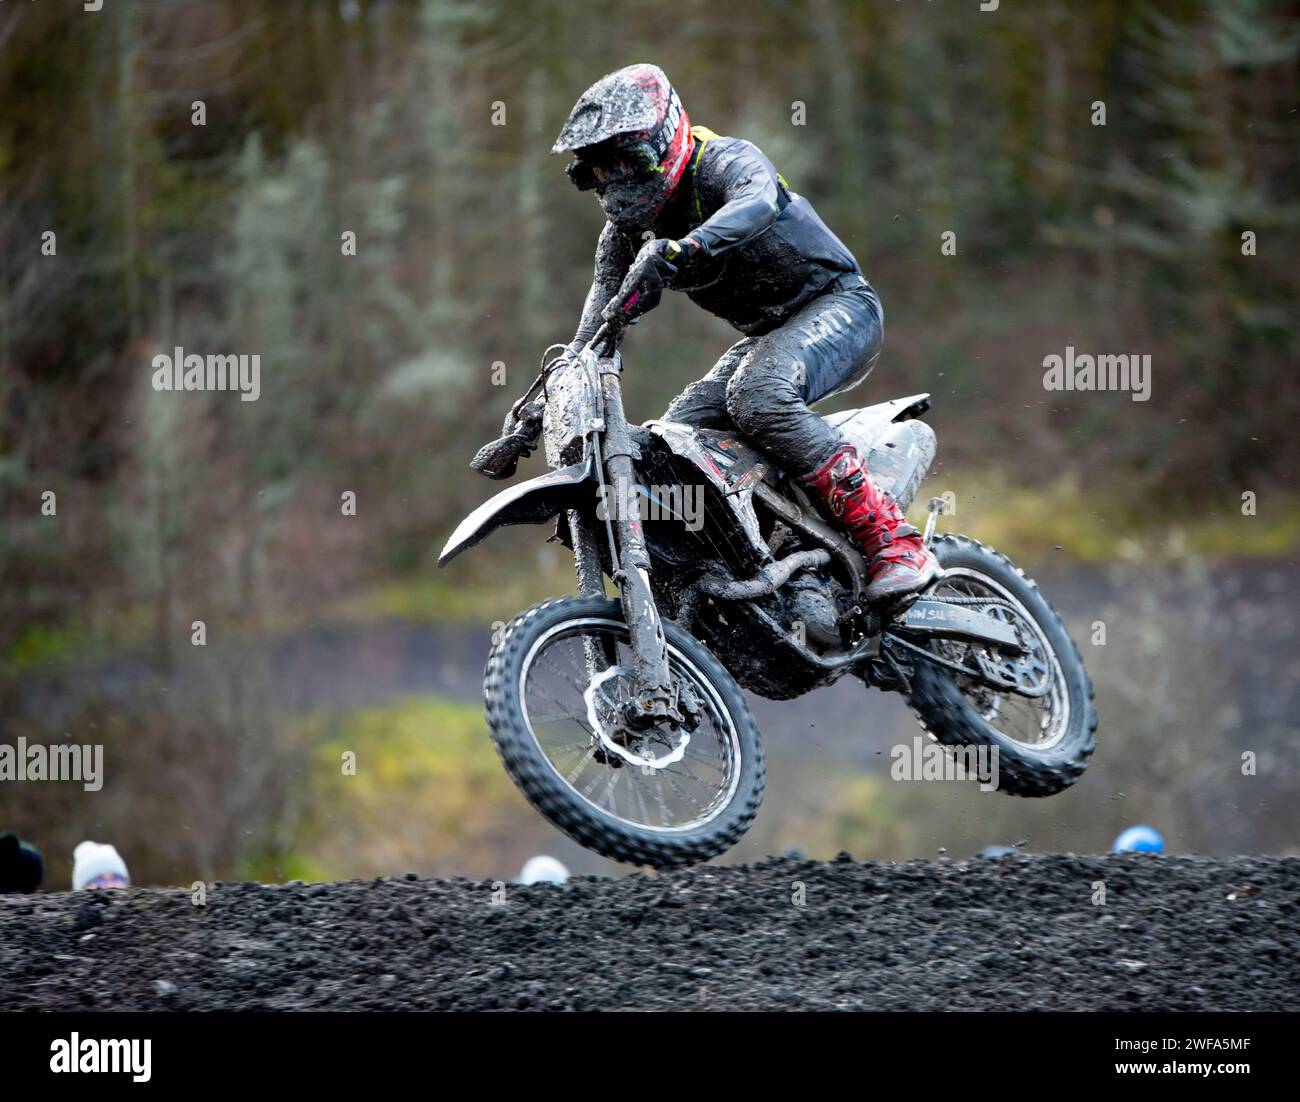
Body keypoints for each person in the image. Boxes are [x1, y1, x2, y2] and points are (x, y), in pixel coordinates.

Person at [546, 64, 939, 601]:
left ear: (665, 139)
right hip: (768, 337)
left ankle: (891, 540)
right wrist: (540, 407)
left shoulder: (724, 161)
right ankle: (770, 565)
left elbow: (755, 203)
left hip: (840, 306)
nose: (613, 180)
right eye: (594, 170)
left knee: (757, 394)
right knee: (670, 444)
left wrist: (687, 248)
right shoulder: (623, 234)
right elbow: (594, 324)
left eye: (626, 160)